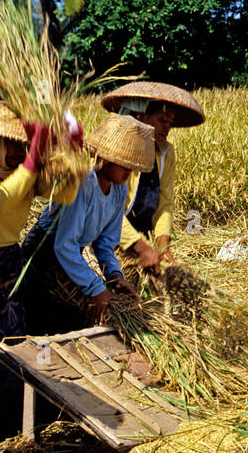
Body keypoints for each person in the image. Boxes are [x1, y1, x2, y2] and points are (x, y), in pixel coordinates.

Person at [0, 102, 72, 450]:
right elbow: (0, 200)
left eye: (24, 146)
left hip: (9, 267)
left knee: (15, 348)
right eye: (13, 146)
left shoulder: (23, 173)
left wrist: (67, 161)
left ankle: (11, 437)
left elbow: (63, 195)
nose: (19, 154)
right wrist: (34, 161)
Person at [21, 114, 156, 335]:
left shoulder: (119, 189)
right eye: (124, 164)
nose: (129, 172)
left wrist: (114, 276)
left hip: (69, 257)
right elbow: (64, 245)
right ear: (106, 158)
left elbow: (104, 242)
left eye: (132, 167)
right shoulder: (83, 186)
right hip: (41, 256)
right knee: (41, 320)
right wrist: (95, 288)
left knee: (77, 320)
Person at [100, 82, 206, 275]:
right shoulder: (116, 153)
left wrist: (162, 246)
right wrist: (141, 248)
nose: (167, 128)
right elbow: (106, 210)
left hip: (141, 234)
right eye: (162, 120)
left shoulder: (166, 153)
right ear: (142, 117)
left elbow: (165, 203)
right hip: (108, 235)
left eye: (170, 122)